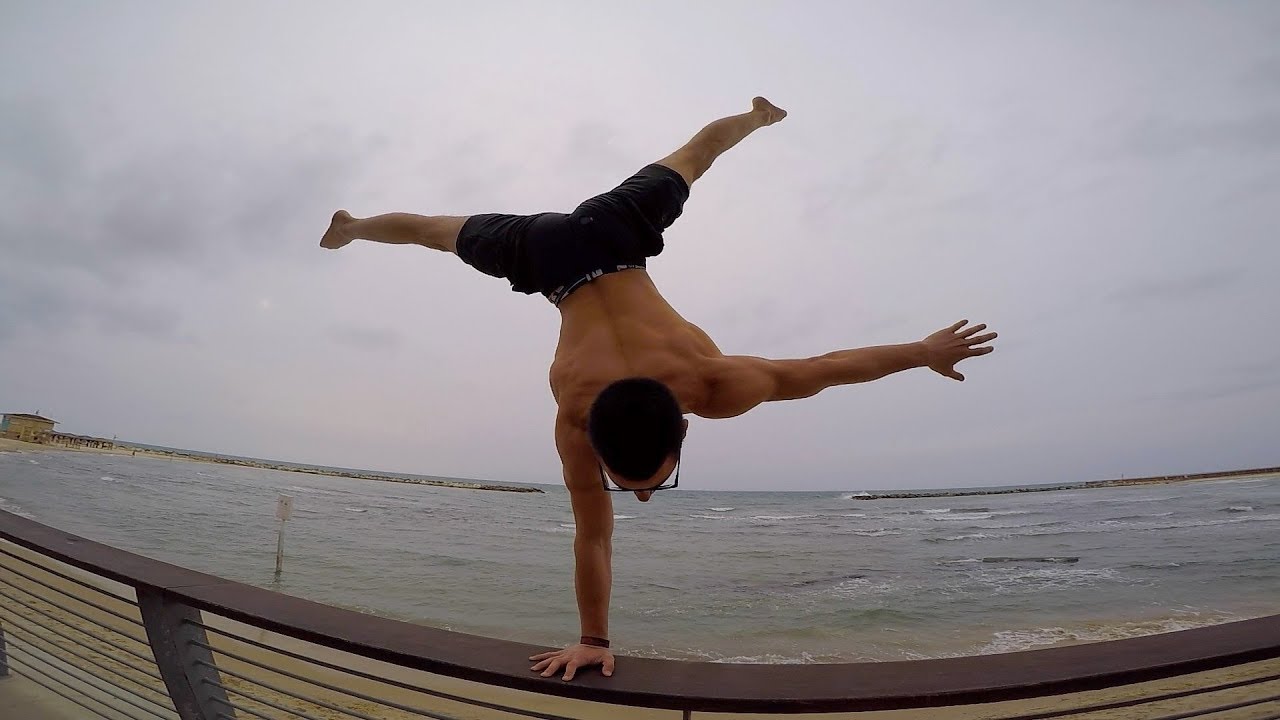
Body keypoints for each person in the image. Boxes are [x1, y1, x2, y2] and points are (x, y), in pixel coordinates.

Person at [320, 97, 996, 681]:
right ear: (683, 426)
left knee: (437, 229)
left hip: (578, 247)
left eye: (635, 484)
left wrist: (921, 352)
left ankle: (353, 227)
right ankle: (756, 117)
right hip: (562, 249)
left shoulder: (694, 389)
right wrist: (591, 640)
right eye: (645, 483)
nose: (638, 492)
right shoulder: (618, 407)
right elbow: (824, 368)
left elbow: (826, 367)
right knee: (442, 230)